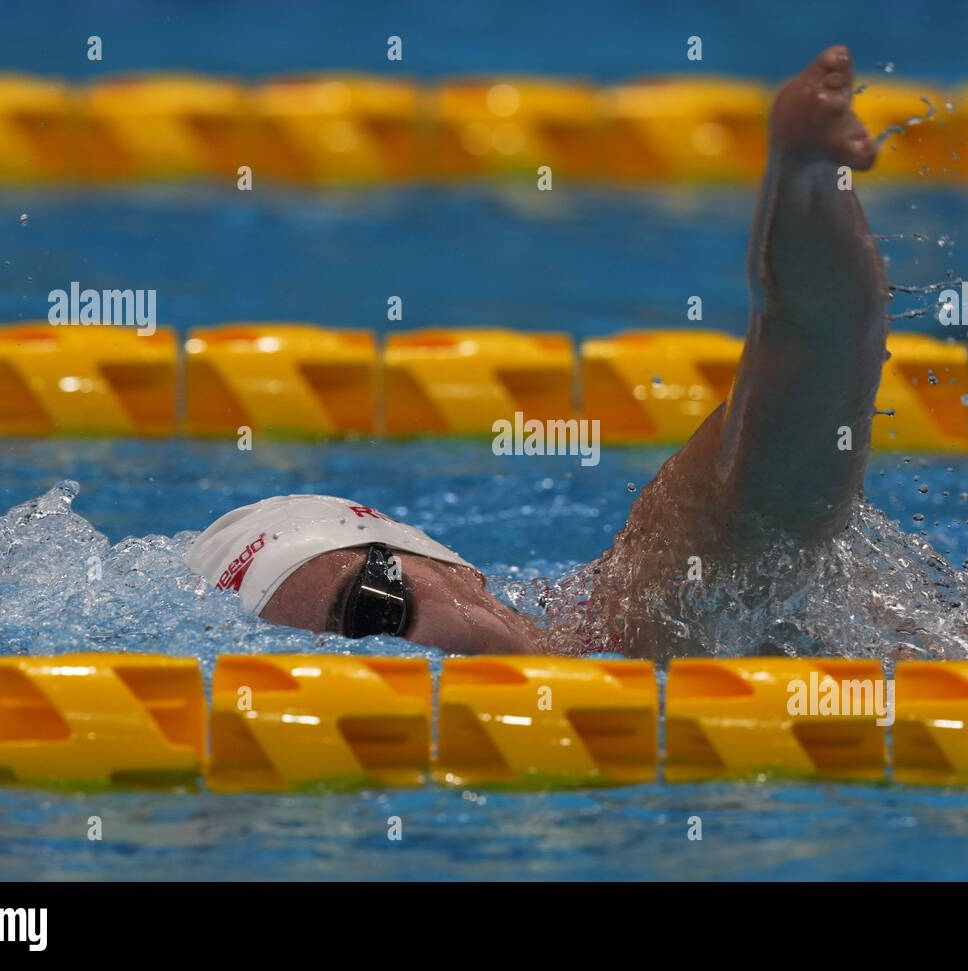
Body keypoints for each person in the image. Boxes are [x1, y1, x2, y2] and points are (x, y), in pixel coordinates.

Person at [189, 45, 886, 657]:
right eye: (352, 668)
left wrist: (805, 180)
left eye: (375, 609)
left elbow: (813, 343)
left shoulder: (653, 602)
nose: (394, 667)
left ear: (451, 567)